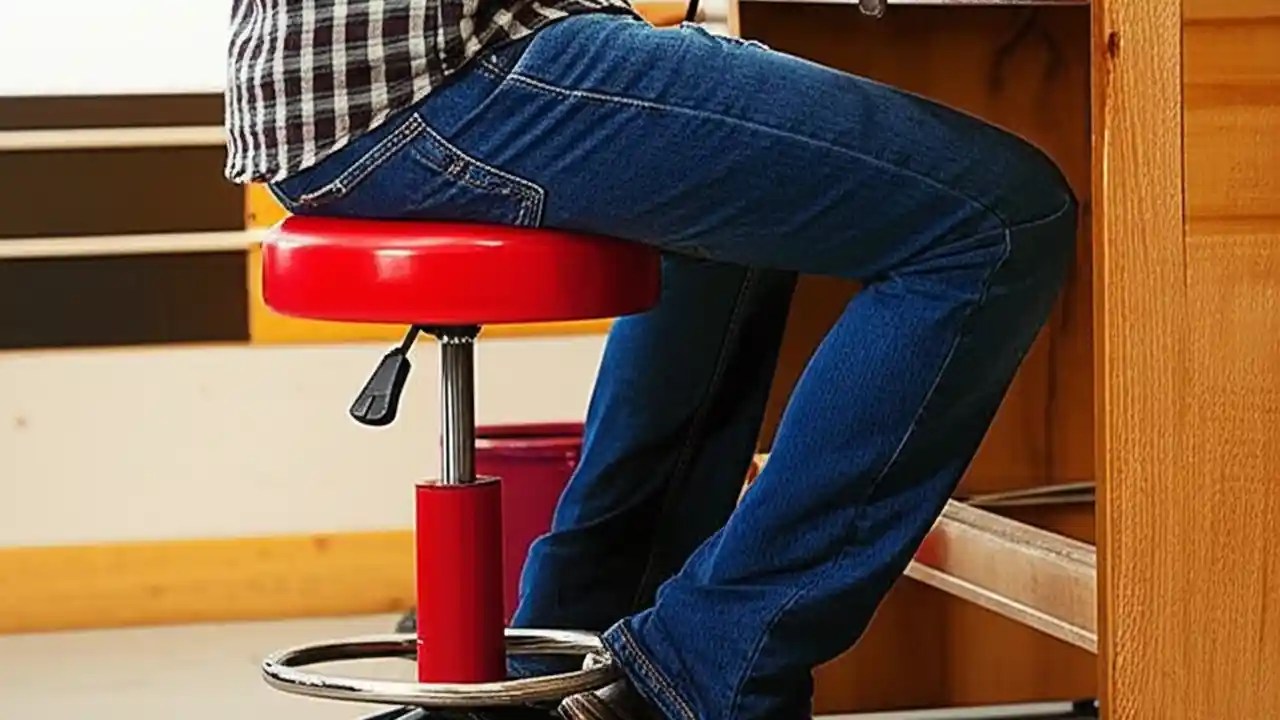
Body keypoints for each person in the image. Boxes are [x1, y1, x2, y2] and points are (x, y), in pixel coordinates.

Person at [225, 1, 1078, 718]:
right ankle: (703, 674)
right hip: (438, 78)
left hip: (317, 92)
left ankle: (571, 663)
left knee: (753, 183)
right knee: (999, 222)